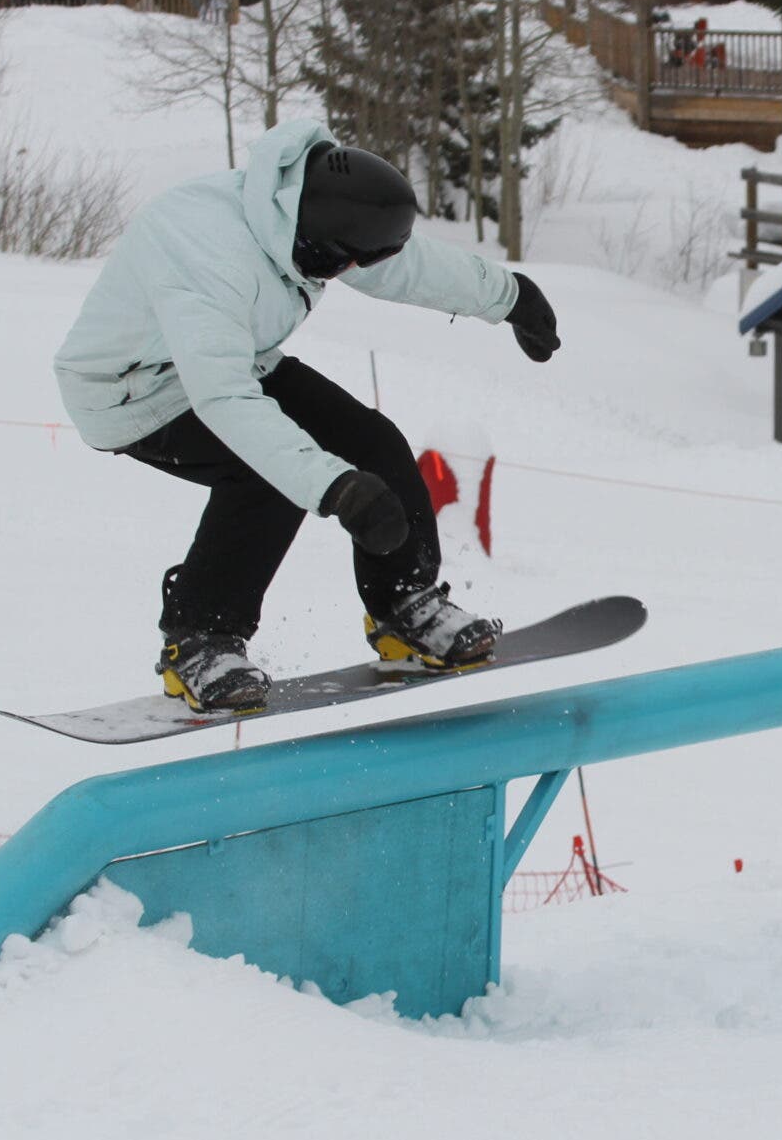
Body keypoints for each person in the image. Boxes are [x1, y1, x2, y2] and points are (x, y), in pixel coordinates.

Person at [54, 118, 559, 712]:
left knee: (371, 442)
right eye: (343, 267)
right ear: (322, 249)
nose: (346, 277)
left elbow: (402, 263)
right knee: (265, 479)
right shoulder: (206, 253)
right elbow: (224, 400)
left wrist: (510, 297)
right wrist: (334, 487)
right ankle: (201, 641)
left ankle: (405, 604)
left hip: (238, 360)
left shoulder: (301, 213)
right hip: (132, 392)